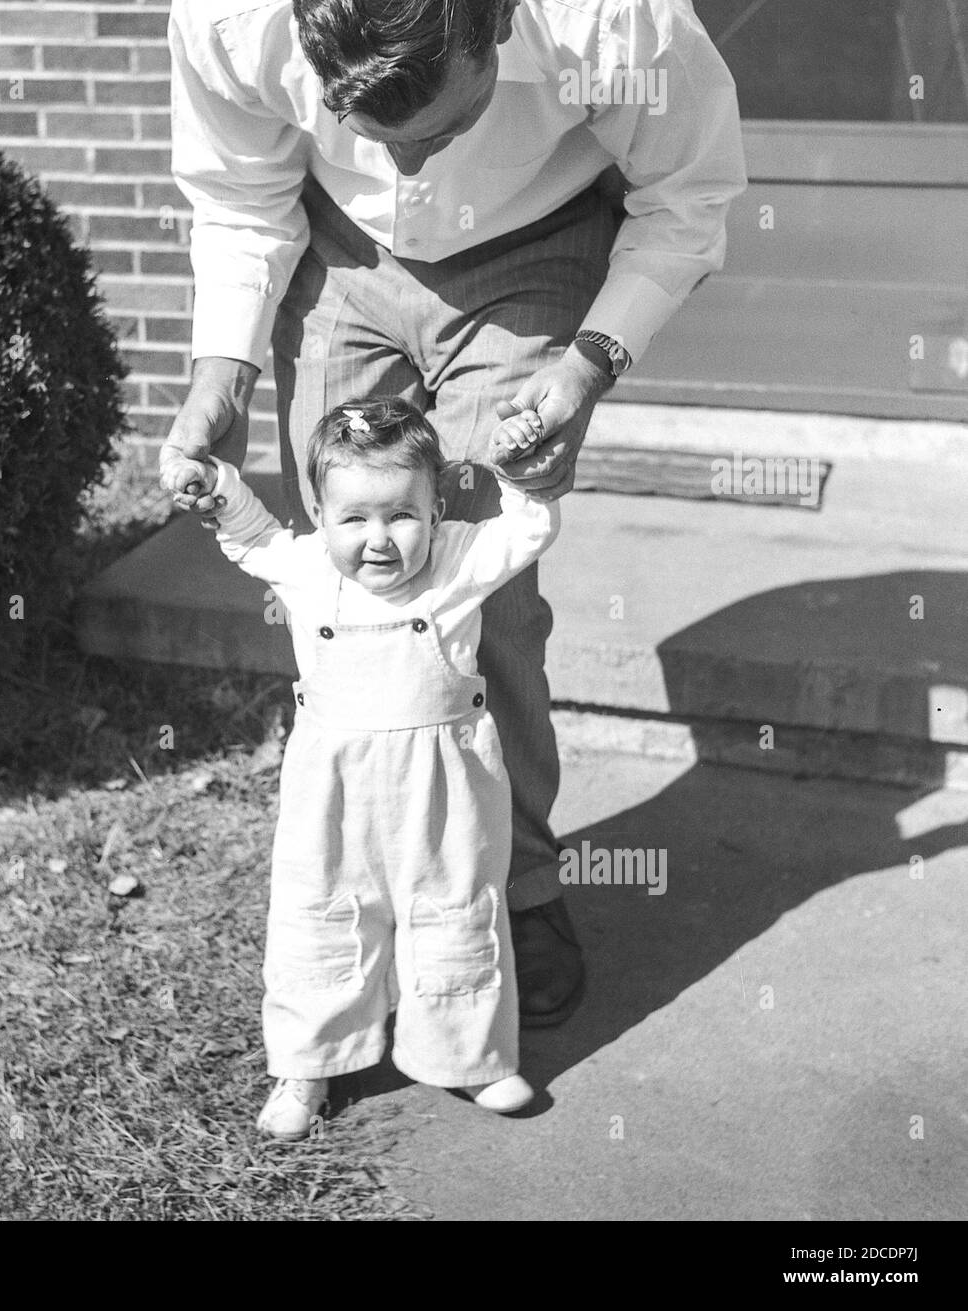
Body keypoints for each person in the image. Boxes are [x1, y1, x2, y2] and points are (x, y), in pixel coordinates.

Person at [160, 0, 747, 1024]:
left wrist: (587, 365)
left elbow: (686, 196)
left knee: (477, 587)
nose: (411, 166)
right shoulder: (227, 16)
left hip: (538, 239)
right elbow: (242, 194)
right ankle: (369, 888)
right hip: (337, 247)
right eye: (381, 133)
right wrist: (223, 371)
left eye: (439, 127)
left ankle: (510, 891)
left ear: (497, 23)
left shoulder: (615, 21)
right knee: (353, 574)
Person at [166, 397, 558, 1138]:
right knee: (320, 914)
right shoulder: (308, 568)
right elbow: (249, 534)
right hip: (333, 794)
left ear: (437, 507)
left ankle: (470, 1055)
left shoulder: (458, 559)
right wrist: (211, 484)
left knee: (457, 910)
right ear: (319, 511)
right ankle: (307, 1062)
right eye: (354, 519)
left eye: (401, 515)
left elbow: (531, 527)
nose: (379, 539)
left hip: (443, 793)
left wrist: (518, 468)